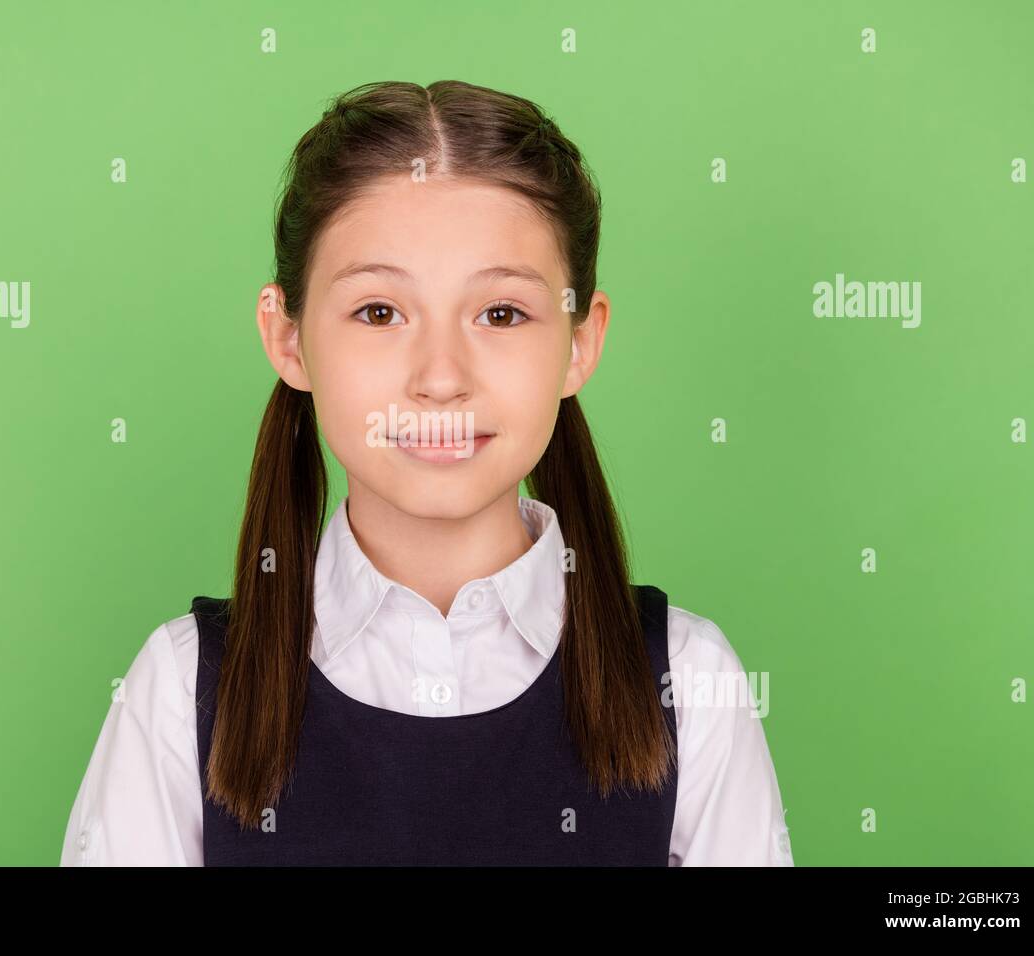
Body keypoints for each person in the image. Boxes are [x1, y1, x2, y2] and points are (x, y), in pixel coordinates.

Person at [61, 79, 793, 866]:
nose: (441, 378)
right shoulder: (179, 690)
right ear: (288, 338)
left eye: (501, 314)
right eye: (379, 312)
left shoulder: (693, 683)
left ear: (580, 343)